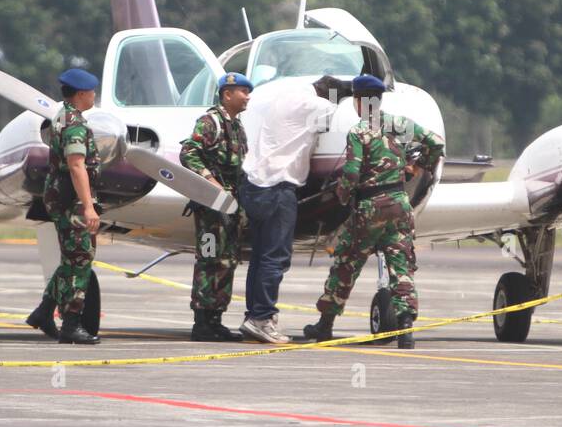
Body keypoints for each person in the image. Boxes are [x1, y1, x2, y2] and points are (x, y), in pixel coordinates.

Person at [307, 74, 444, 348]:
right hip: (400, 205)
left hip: (370, 208)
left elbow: (352, 172)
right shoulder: (399, 124)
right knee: (401, 267)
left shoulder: (359, 131)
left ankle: (325, 325)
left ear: (359, 101)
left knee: (346, 263)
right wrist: (416, 168)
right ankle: (405, 329)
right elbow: (435, 143)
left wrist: (344, 196)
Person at [237, 75, 343, 343]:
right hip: (278, 188)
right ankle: (262, 319)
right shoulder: (311, 104)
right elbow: (340, 115)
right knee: (276, 258)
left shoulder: (287, 97)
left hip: (254, 185)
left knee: (261, 257)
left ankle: (254, 316)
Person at [24, 68, 102, 346]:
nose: (94, 95)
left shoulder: (61, 116)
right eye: (92, 91)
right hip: (73, 201)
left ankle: (44, 311)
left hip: (62, 197)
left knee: (71, 259)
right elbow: (76, 164)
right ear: (81, 94)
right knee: (80, 261)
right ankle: (71, 324)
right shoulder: (75, 124)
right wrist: (89, 207)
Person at [179, 72, 252, 342]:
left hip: (230, 207)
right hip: (211, 210)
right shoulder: (210, 122)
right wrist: (210, 182)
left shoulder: (236, 125)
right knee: (209, 260)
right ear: (227, 94)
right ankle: (202, 321)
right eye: (242, 91)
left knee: (227, 261)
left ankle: (216, 319)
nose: (247, 96)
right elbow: (188, 152)